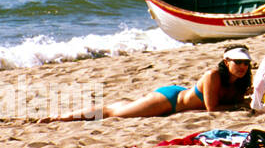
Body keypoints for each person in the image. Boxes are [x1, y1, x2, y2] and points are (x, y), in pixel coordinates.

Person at [41, 46, 253, 121]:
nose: (242, 67)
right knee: (112, 112)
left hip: (179, 98)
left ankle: (128, 102)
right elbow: (212, 108)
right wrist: (241, 106)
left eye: (245, 63)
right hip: (170, 101)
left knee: (122, 108)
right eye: (238, 62)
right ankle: (62, 117)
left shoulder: (241, 80)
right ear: (227, 62)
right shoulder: (213, 75)